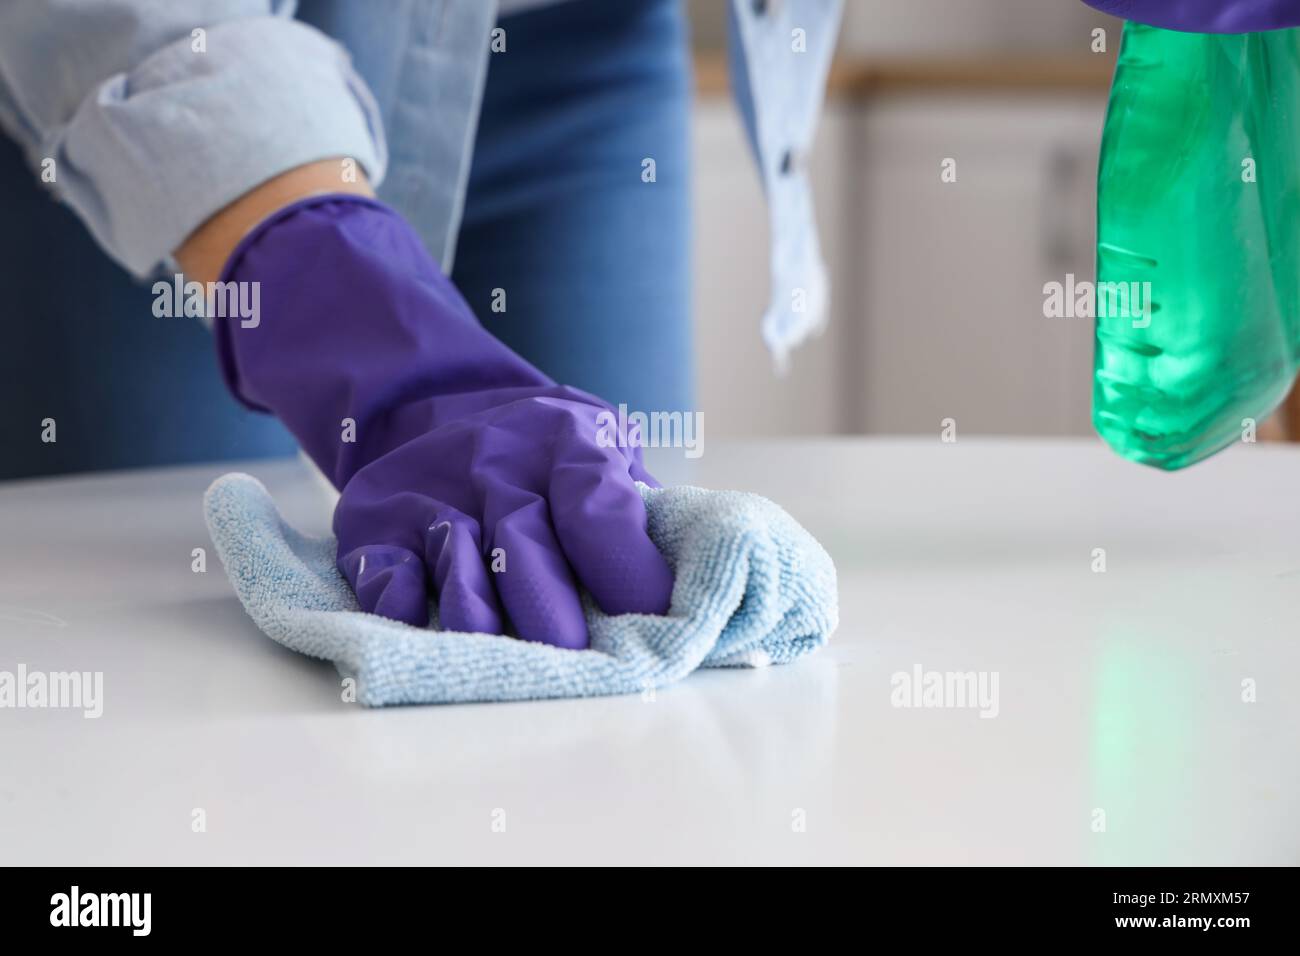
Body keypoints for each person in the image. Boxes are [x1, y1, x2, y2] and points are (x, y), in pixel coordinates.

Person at [0, 0, 840, 647]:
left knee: (615, 590)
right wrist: (394, 368)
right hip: (190, 65)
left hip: (586, 57)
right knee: (161, 652)